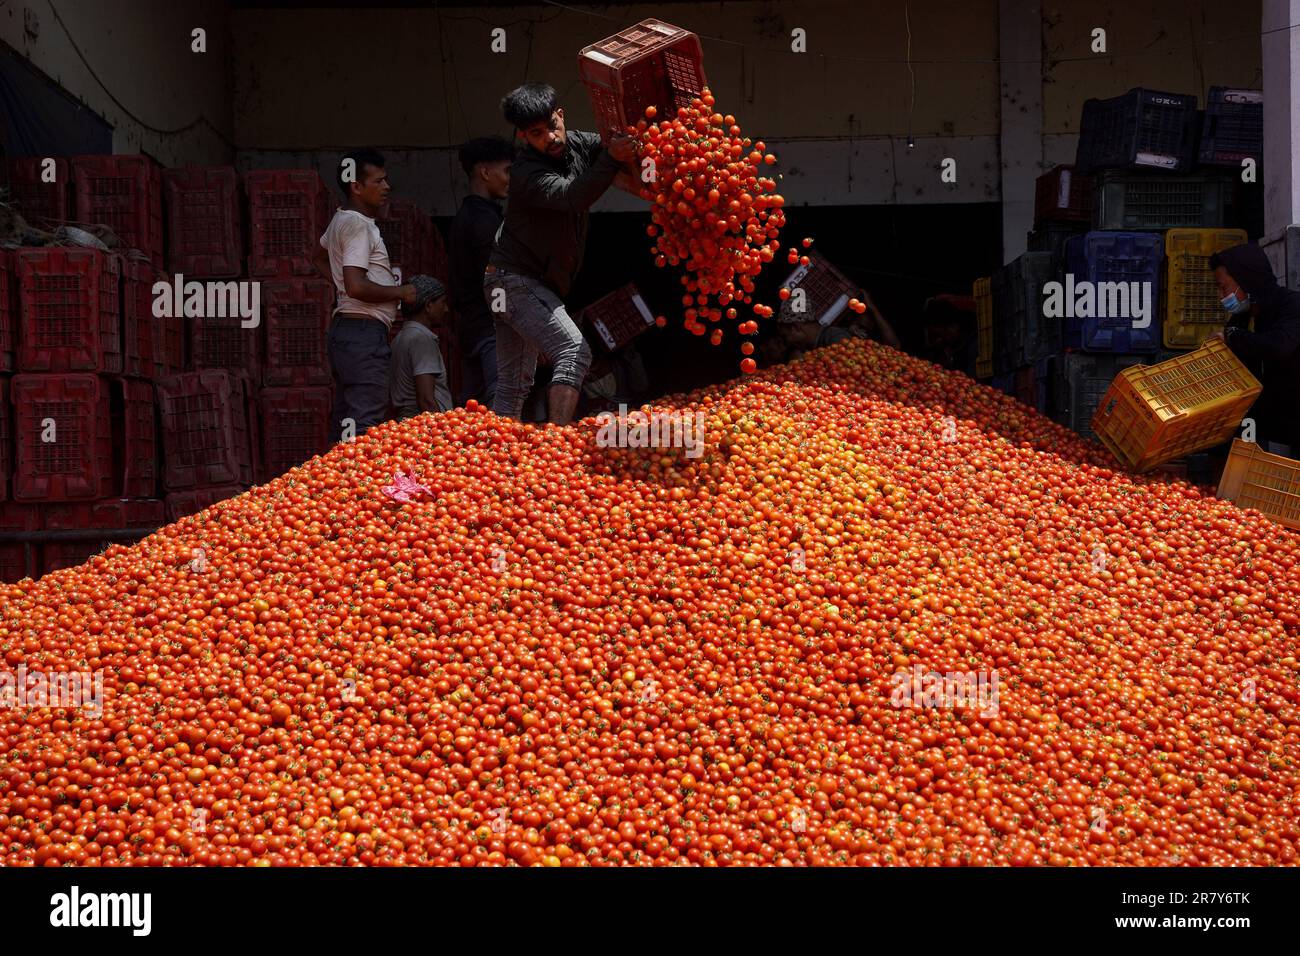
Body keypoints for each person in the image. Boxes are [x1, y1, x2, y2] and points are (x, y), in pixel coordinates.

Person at [485, 82, 638, 425]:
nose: (550, 138)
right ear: (524, 137)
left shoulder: (581, 144)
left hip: (512, 285)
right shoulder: (526, 174)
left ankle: (495, 452)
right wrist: (612, 159)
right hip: (514, 283)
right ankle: (558, 443)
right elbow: (573, 197)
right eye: (537, 134)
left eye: (552, 127)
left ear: (561, 115)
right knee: (574, 351)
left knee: (514, 384)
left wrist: (666, 196)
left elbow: (619, 173)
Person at [314, 148, 416, 439]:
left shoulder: (340, 220)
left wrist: (340, 284)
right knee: (363, 422)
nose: (387, 187)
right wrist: (401, 292)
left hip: (347, 332)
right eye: (379, 181)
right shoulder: (358, 226)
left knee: (347, 417)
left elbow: (318, 256)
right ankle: (351, 482)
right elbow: (357, 286)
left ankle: (335, 480)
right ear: (356, 187)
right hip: (363, 333)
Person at [1207, 242, 1300, 457]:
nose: (1222, 296)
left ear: (1247, 281)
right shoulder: (1243, 318)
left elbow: (1279, 346)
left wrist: (1231, 337)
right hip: (1272, 419)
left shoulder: (1292, 305)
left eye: (1224, 287)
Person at [449, 136, 513, 409]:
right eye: (507, 171)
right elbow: (495, 282)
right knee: (501, 407)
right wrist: (512, 323)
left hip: (472, 329)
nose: (512, 179)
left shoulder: (465, 216)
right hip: (491, 331)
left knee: (474, 413)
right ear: (485, 172)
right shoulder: (485, 221)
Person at [767, 289, 902, 364]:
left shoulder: (835, 339)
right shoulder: (822, 342)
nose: (788, 342)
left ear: (795, 328)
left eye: (786, 336)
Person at [389, 275, 454, 420]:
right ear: (428, 306)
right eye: (442, 303)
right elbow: (426, 400)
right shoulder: (422, 339)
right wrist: (443, 434)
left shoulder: (401, 337)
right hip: (423, 427)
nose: (446, 309)